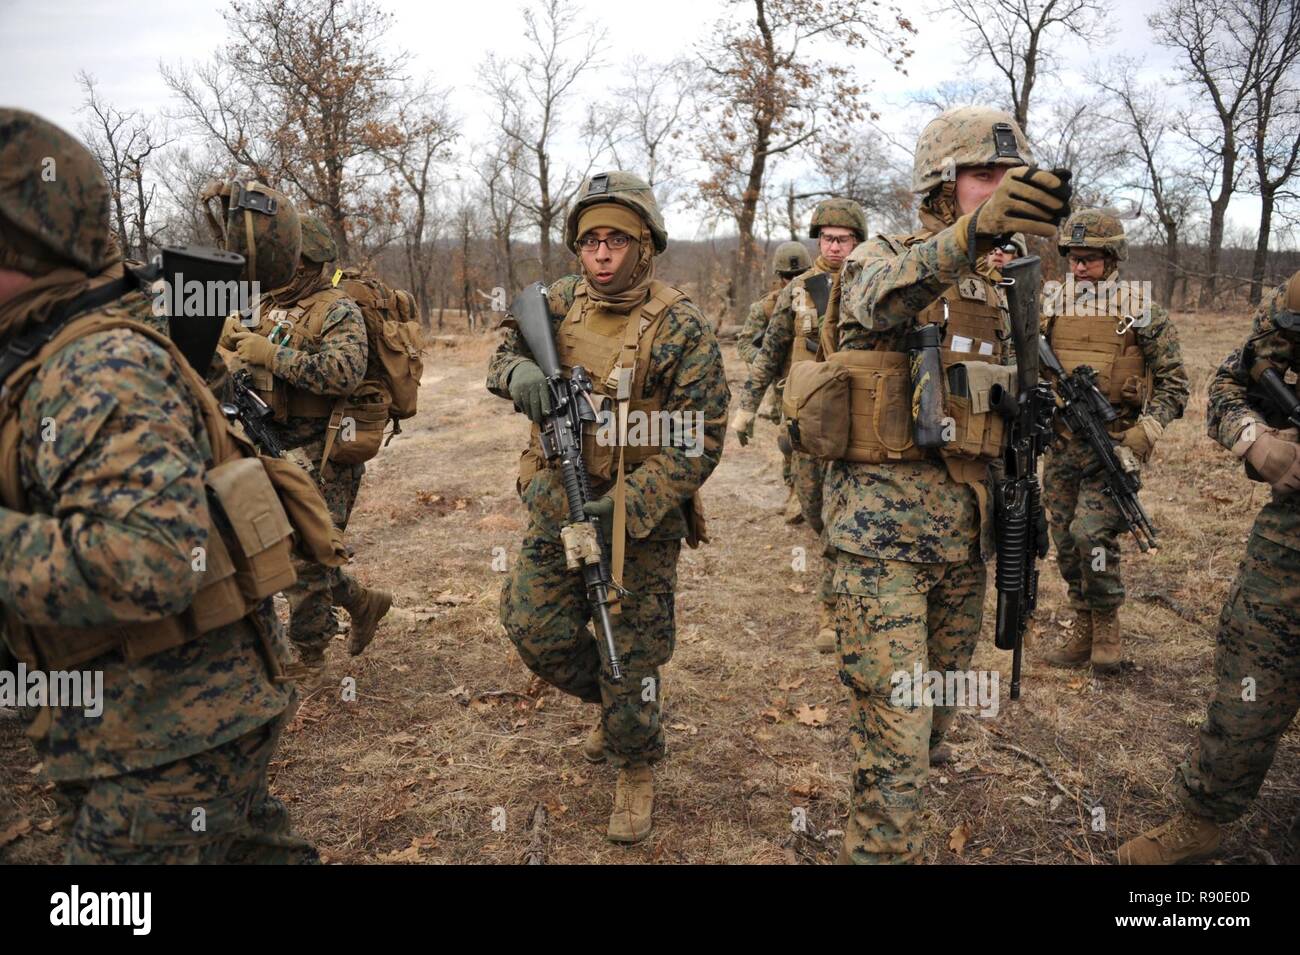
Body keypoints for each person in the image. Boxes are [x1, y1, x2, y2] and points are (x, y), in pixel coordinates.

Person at [0, 108, 316, 863]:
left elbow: (152, 559)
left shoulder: (99, 364)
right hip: (154, 720)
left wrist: (269, 355)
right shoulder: (49, 346)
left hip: (169, 734)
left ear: (29, 242)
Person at [829, 107, 1070, 863]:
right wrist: (973, 235)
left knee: (936, 713)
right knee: (897, 736)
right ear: (943, 180)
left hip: (969, 537)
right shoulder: (883, 256)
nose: (1000, 190)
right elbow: (877, 301)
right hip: (882, 544)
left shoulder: (1006, 287)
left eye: (1010, 177)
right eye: (983, 176)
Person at [486, 171, 728, 843]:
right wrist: (521, 375)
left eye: (616, 239)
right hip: (557, 500)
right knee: (531, 623)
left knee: (633, 647)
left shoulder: (680, 326)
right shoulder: (557, 302)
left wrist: (626, 503)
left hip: (638, 520)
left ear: (644, 244)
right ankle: (619, 702)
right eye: (590, 240)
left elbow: (701, 437)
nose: (601, 253)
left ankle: (635, 761)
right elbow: (500, 350)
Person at [1118, 271, 1300, 864]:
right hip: (1292, 539)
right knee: (1252, 673)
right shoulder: (1296, 299)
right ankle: (1204, 818)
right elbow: (1231, 382)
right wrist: (1257, 442)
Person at [212, 209, 392, 678]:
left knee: (309, 556)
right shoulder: (269, 303)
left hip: (324, 453)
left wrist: (270, 353)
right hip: (268, 445)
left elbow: (343, 372)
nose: (279, 273)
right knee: (287, 546)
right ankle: (362, 602)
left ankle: (307, 655)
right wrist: (235, 341)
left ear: (311, 263)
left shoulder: (337, 308)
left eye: (289, 264)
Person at [1038, 209, 1187, 670]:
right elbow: (1029, 365)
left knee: (1092, 534)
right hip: (1060, 442)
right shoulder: (1051, 304)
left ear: (1113, 257)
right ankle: (1081, 619)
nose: (1080, 268)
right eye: (1074, 259)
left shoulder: (1141, 310)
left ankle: (1106, 623)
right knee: (1064, 538)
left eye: (1090, 259)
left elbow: (1175, 384)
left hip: (1113, 447)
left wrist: (1144, 434)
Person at [732, 199, 868, 652]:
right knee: (814, 509)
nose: (834, 246)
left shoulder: (875, 284)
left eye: (843, 239)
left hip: (860, 422)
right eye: (827, 238)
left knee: (843, 517)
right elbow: (770, 351)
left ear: (857, 242)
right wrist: (747, 405)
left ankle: (835, 610)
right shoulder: (799, 290)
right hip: (808, 421)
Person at [738, 240, 811, 521]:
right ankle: (794, 491)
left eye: (799, 275)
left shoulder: (824, 297)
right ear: (778, 277)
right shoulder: (765, 308)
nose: (793, 282)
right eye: (787, 277)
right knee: (788, 441)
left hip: (817, 383)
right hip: (783, 386)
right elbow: (745, 343)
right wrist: (766, 361)